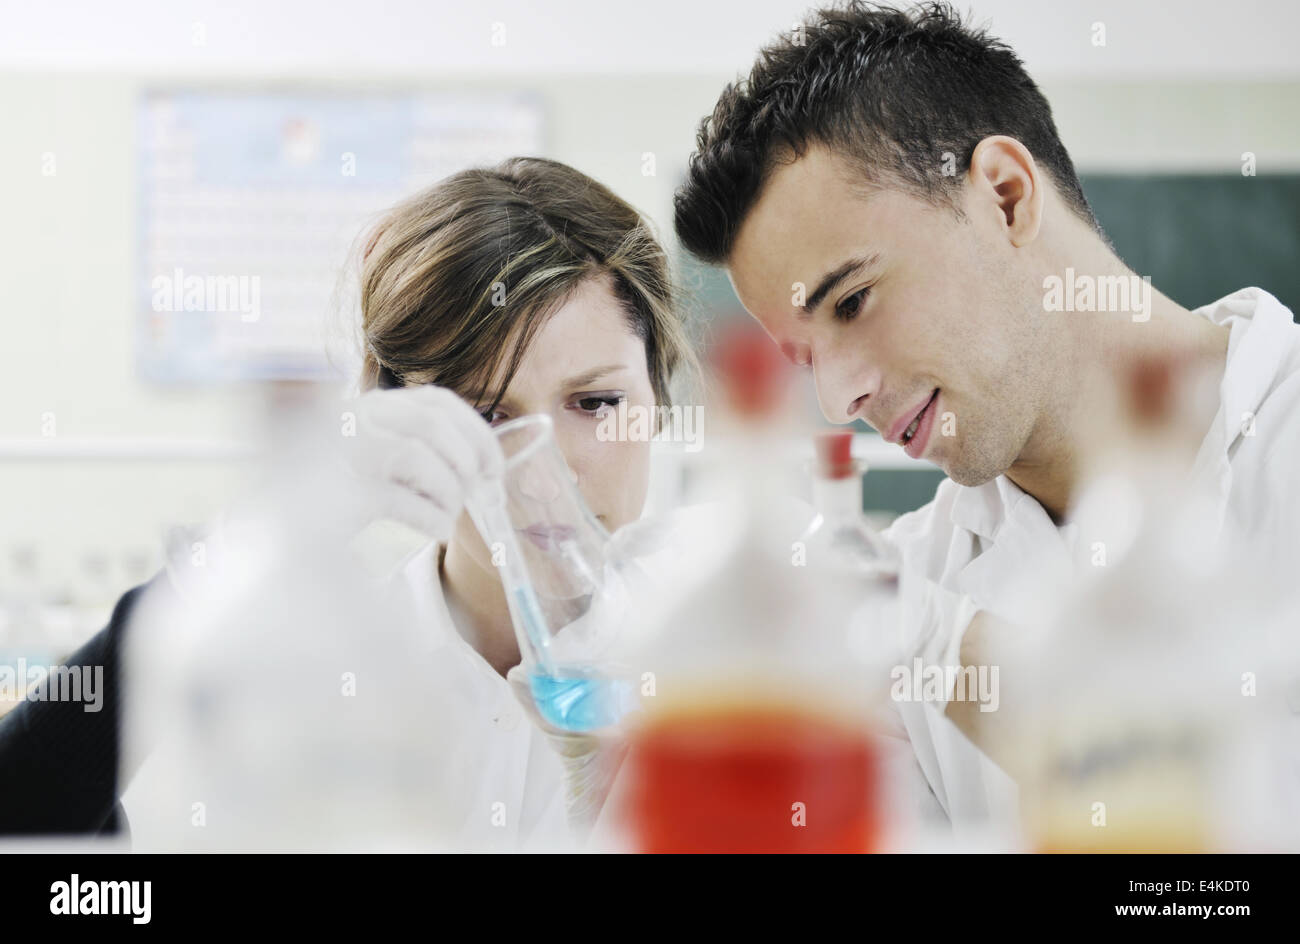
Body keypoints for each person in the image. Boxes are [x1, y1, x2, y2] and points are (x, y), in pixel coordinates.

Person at [671, 1, 1300, 827]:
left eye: (853, 301)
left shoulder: (927, 627)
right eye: (806, 358)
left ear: (1005, 197)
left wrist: (967, 659)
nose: (837, 399)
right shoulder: (911, 593)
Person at [0, 157, 697, 848]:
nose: (545, 475)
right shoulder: (309, 669)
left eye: (596, 403)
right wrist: (264, 536)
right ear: (396, 414)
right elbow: (21, 812)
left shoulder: (719, 653)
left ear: (659, 400)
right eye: (486, 415)